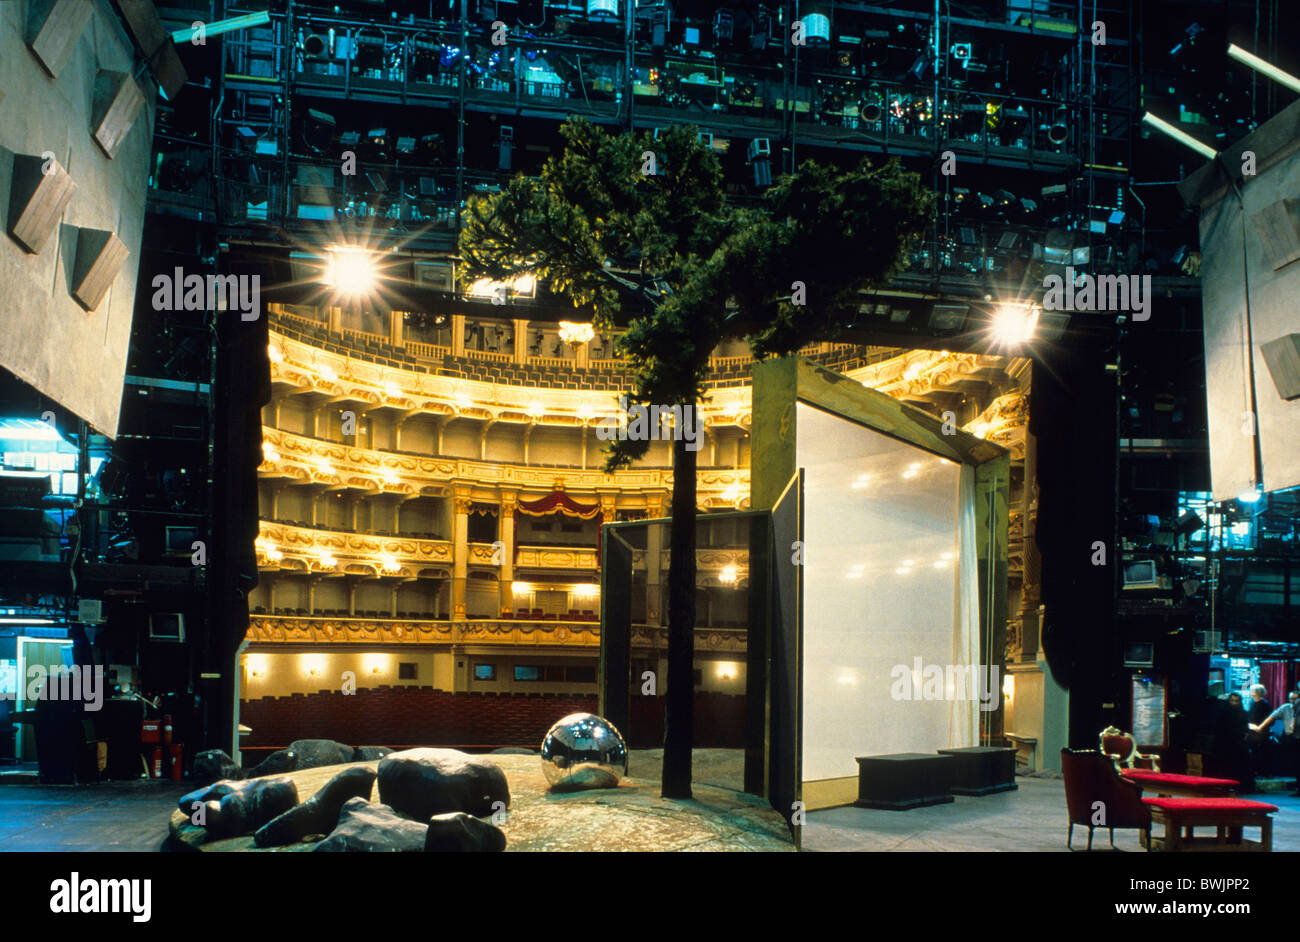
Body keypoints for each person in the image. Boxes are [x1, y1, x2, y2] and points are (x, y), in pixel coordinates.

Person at [1252, 689, 1300, 795]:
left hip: (1299, 737)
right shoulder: (1286, 708)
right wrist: (1260, 727)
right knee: (1295, 763)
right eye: (1290, 699)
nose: (1292, 701)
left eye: (1295, 699)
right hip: (1290, 738)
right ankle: (1298, 788)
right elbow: (1271, 717)